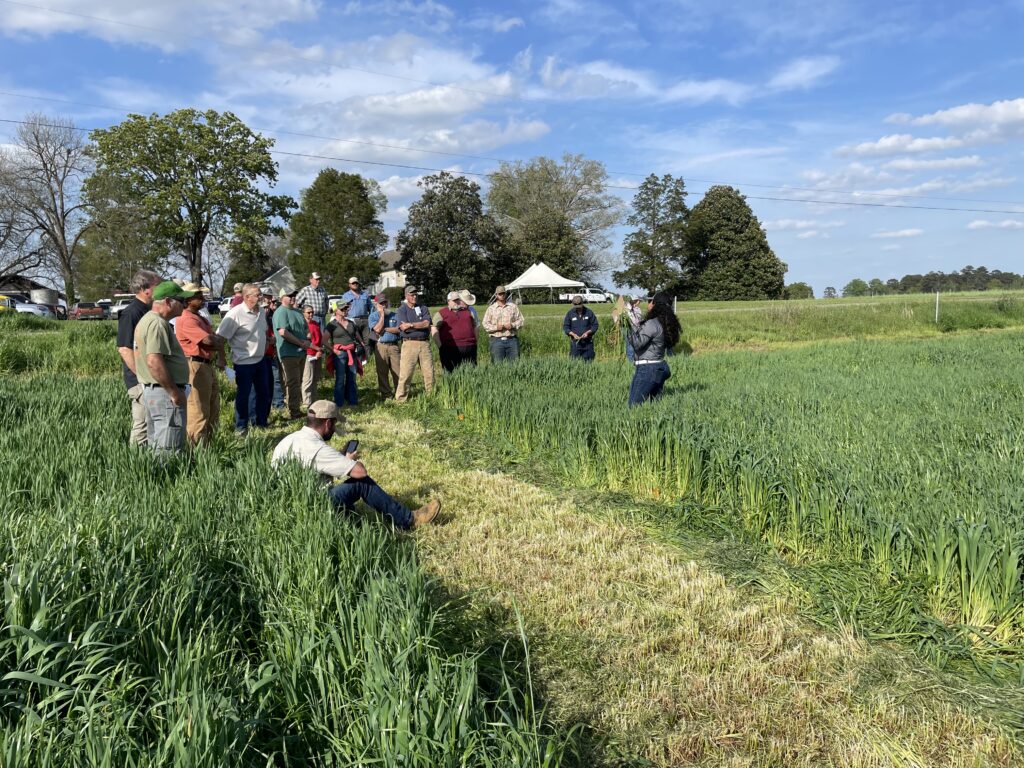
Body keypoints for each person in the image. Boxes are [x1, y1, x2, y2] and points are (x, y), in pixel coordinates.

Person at [271, 400, 440, 529]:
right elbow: (360, 472)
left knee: (348, 504)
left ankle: (346, 517)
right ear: (328, 423)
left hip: (290, 504)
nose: (334, 428)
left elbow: (314, 465)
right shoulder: (316, 448)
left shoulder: (289, 440)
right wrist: (349, 461)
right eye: (334, 423)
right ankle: (409, 520)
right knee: (361, 484)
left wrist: (340, 458)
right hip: (314, 505)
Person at [134, 280, 193, 455]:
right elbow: (154, 361)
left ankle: (157, 471)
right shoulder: (157, 324)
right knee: (169, 447)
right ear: (168, 302)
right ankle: (168, 472)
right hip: (164, 394)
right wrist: (174, 393)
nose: (185, 305)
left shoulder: (147, 320)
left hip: (156, 392)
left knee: (158, 443)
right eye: (181, 301)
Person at [175, 284, 226, 446]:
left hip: (206, 365)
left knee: (212, 408)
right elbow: (209, 340)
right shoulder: (187, 319)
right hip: (195, 366)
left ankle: (209, 447)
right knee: (198, 411)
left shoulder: (199, 318)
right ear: (188, 300)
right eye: (198, 297)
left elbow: (216, 341)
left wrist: (215, 342)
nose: (202, 299)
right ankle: (195, 450)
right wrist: (215, 341)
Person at [217, 283, 270, 433]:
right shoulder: (235, 314)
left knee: (263, 393)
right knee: (244, 395)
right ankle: (241, 427)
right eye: (257, 295)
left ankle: (260, 423)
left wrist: (266, 342)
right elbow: (220, 338)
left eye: (260, 294)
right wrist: (221, 358)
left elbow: (263, 331)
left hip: (260, 360)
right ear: (247, 297)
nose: (261, 297)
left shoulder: (261, 311)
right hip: (243, 362)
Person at [116, 269, 161, 445]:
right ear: (145, 289)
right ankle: (136, 459)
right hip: (139, 380)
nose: (160, 289)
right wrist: (142, 376)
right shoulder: (131, 313)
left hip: (151, 377)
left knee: (153, 423)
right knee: (142, 424)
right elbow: (124, 349)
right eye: (157, 285)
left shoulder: (149, 311)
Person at [614, 291, 681, 406]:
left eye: (651, 302)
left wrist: (626, 327)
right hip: (660, 365)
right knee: (654, 405)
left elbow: (637, 344)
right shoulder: (666, 322)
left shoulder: (652, 323)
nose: (648, 304)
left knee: (634, 406)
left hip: (648, 369)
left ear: (655, 305)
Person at [273, 289, 317, 420]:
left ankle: (295, 408)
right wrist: (301, 343)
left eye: (294, 295)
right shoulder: (280, 312)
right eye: (290, 295)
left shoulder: (297, 312)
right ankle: (294, 411)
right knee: (292, 382)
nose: (293, 297)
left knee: (298, 382)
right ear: (282, 298)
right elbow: (283, 332)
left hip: (301, 352)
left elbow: (306, 329)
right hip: (288, 353)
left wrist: (307, 339)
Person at [394, 286, 434, 402]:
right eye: (412, 295)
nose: (414, 297)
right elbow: (403, 327)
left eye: (416, 294)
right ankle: (401, 399)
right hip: (409, 343)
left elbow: (427, 324)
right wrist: (418, 325)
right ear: (406, 296)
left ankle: (431, 396)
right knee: (406, 373)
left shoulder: (423, 308)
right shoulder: (401, 310)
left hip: (424, 343)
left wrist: (411, 325)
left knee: (429, 372)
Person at [324, 301, 362, 407]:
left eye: (346, 308)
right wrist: (334, 350)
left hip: (351, 354)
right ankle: (339, 403)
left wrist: (361, 347)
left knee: (352, 378)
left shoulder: (351, 323)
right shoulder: (331, 324)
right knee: (340, 379)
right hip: (339, 355)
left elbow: (358, 337)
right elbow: (324, 340)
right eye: (342, 309)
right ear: (336, 310)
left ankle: (352, 402)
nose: (345, 310)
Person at [433, 290, 478, 372]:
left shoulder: (469, 311)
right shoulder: (441, 313)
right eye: (454, 301)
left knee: (471, 372)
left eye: (458, 300)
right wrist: (440, 346)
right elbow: (434, 328)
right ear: (448, 301)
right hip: (449, 348)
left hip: (469, 347)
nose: (456, 302)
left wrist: (475, 341)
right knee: (451, 372)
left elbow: (476, 326)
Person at [367, 293, 401, 399]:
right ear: (377, 305)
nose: (384, 305)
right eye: (381, 303)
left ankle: (400, 393)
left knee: (398, 370)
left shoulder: (394, 315)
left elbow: (399, 329)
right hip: (381, 346)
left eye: (385, 303)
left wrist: (386, 329)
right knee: (382, 371)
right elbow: (377, 329)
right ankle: (386, 394)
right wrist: (382, 315)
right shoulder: (373, 316)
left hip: (394, 346)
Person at [482, 285, 524, 363]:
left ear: (506, 294)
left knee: (515, 364)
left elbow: (521, 321)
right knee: (497, 365)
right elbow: (485, 324)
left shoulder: (513, 307)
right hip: (496, 340)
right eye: (500, 294)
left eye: (503, 293)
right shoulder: (491, 309)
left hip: (512, 339)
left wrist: (512, 325)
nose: (502, 295)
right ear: (496, 295)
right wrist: (496, 327)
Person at [563, 295, 599, 362]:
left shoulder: (589, 312)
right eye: (576, 306)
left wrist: (588, 332)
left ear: (582, 303)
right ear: (573, 304)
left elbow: (595, 325)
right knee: (574, 363)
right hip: (575, 344)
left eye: (579, 306)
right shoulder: (570, 313)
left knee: (588, 363)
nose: (578, 308)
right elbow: (566, 327)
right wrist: (573, 334)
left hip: (588, 343)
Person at [301, 305, 323, 410]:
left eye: (312, 312)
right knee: (307, 379)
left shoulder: (315, 323)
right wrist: (316, 350)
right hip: (309, 353)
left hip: (318, 353)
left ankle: (314, 400)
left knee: (315, 378)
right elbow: (305, 341)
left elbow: (320, 338)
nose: (311, 314)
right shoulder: (302, 325)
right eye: (308, 312)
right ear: (303, 313)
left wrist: (320, 350)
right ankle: (306, 403)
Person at [341, 276, 373, 348]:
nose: (355, 284)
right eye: (353, 283)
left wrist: (370, 318)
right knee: (355, 342)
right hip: (352, 321)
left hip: (365, 320)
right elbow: (342, 309)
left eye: (356, 283)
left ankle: (367, 355)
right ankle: (357, 355)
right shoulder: (345, 296)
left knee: (367, 341)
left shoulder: (365, 295)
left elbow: (371, 307)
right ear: (349, 285)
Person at [624, 296, 645, 362]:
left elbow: (640, 319)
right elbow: (630, 319)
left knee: (636, 344)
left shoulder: (637, 309)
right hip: (629, 328)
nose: (639, 302)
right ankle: (631, 360)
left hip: (636, 328)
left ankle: (636, 358)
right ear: (636, 301)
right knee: (630, 345)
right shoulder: (626, 307)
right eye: (639, 301)